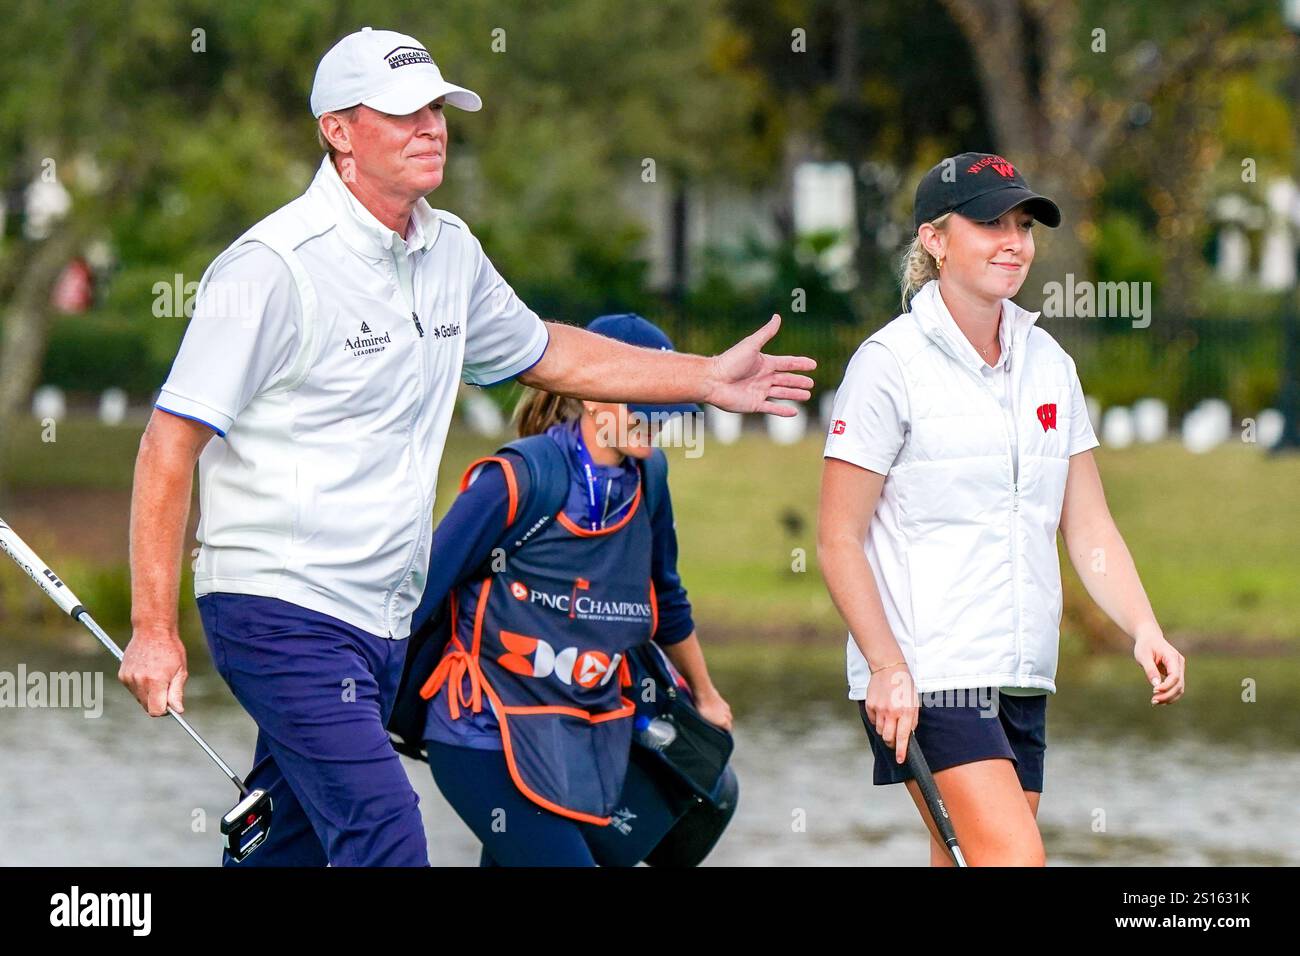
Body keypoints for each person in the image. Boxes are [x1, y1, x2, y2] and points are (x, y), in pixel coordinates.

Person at [120, 27, 810, 867]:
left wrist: (701, 377)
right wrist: (152, 626)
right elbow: (169, 443)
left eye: (439, 110)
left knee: (287, 842)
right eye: (405, 112)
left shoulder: (449, 250)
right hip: (279, 606)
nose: (433, 127)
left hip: (381, 617)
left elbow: (551, 352)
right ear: (338, 129)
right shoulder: (271, 267)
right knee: (384, 830)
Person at [817, 152, 1186, 867]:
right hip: (927, 677)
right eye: (990, 222)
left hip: (1021, 676)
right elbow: (838, 539)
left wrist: (1143, 627)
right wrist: (887, 666)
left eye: (1023, 223)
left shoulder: (1050, 362)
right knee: (1015, 861)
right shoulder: (887, 364)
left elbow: (1088, 525)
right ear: (934, 238)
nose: (1014, 241)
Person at [408, 313, 733, 866]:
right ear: (592, 394)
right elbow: (417, 594)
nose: (658, 424)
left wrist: (705, 695)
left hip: (581, 734)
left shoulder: (649, 480)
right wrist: (347, 705)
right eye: (645, 401)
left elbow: (667, 600)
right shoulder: (519, 478)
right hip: (481, 735)